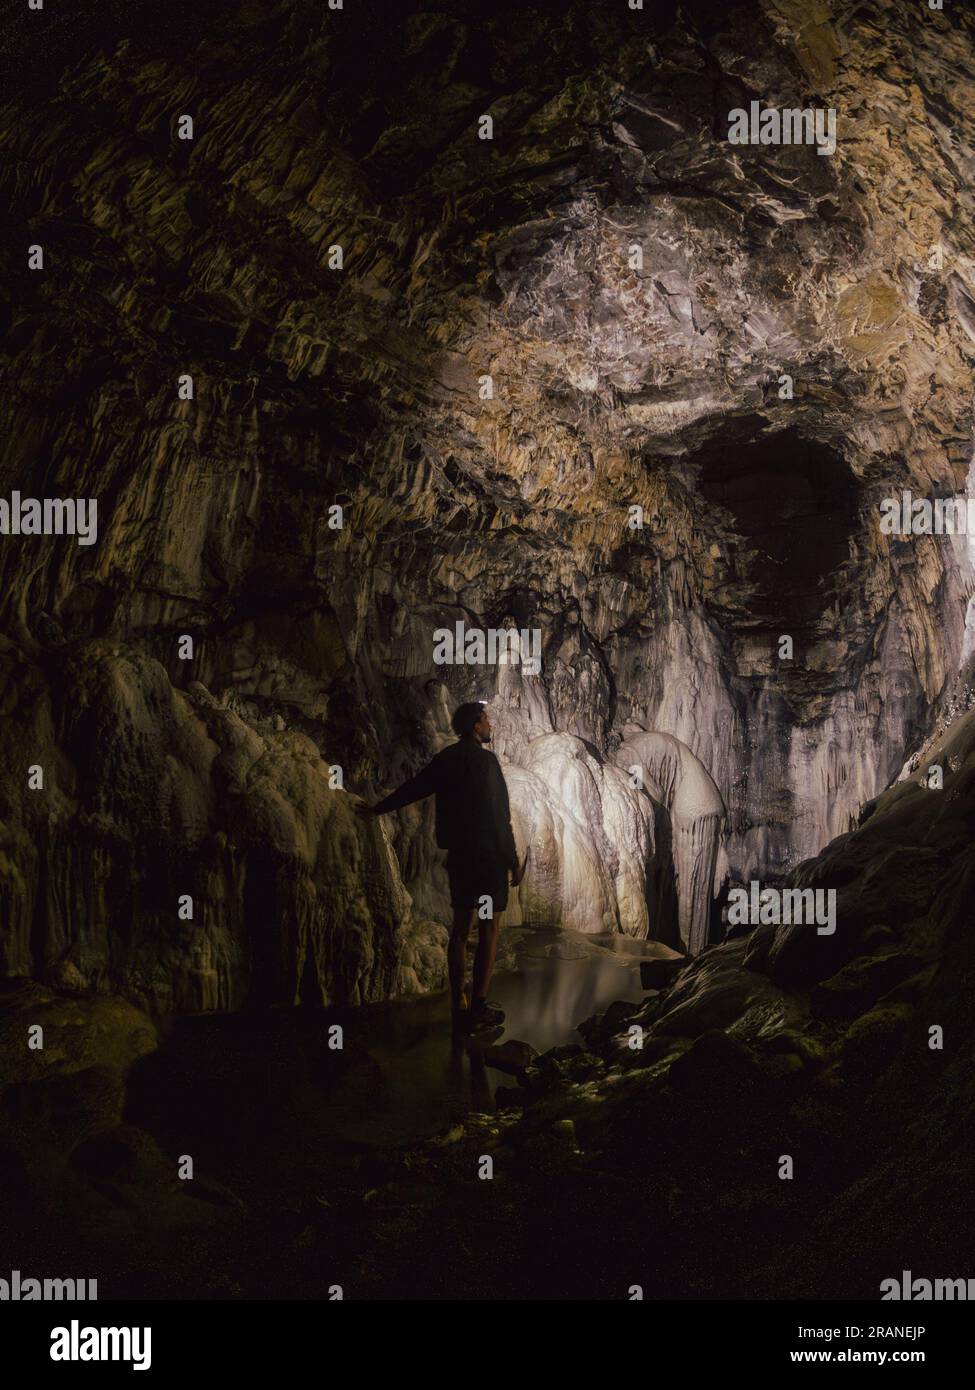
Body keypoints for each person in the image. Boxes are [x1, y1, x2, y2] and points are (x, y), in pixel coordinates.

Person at [357, 702, 524, 1033]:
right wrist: (513, 861)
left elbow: (415, 788)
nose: (491, 725)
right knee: (489, 928)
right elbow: (499, 817)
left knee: (460, 930)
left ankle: (457, 1004)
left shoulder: (446, 759)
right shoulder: (486, 762)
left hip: (461, 858)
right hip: (488, 860)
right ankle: (478, 1005)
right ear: (476, 726)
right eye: (486, 720)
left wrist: (378, 808)